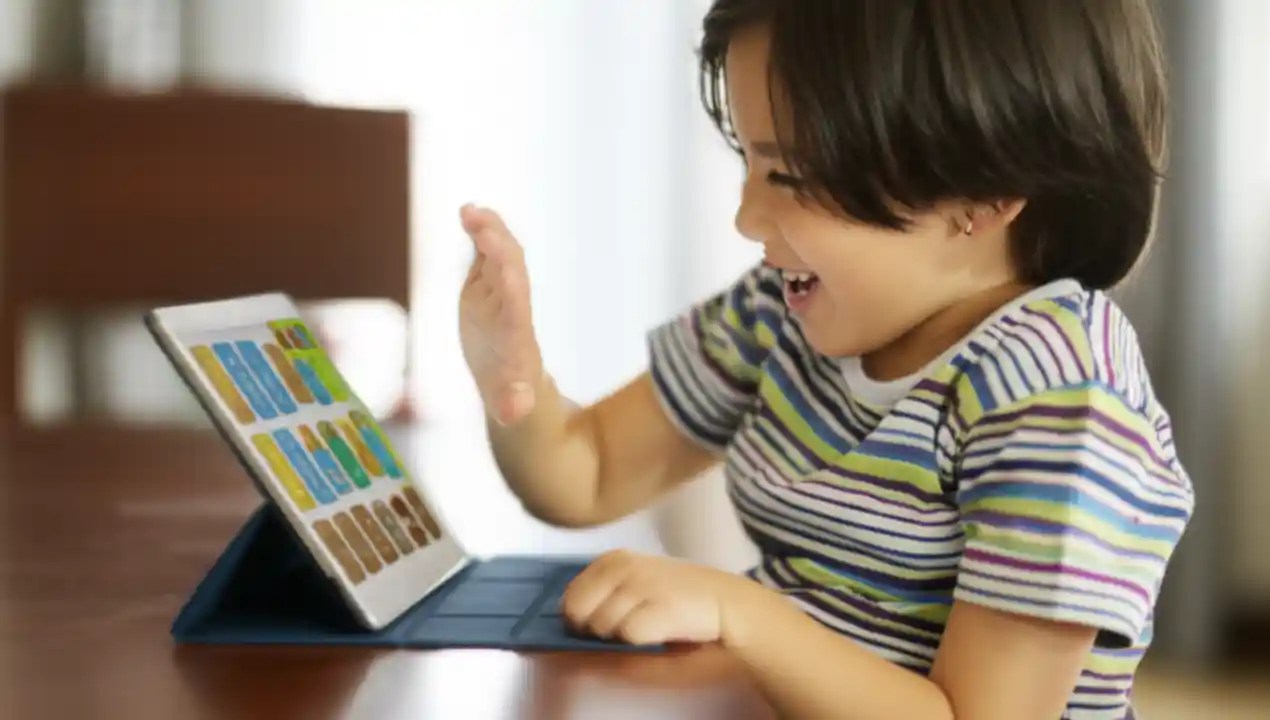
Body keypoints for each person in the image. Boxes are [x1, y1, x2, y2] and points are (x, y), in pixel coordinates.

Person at [458, 2, 1194, 718]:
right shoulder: (783, 308)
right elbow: (584, 473)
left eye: (789, 174)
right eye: (748, 160)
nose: (746, 218)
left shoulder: (1061, 396)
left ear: (984, 191)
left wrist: (734, 609)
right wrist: (512, 375)